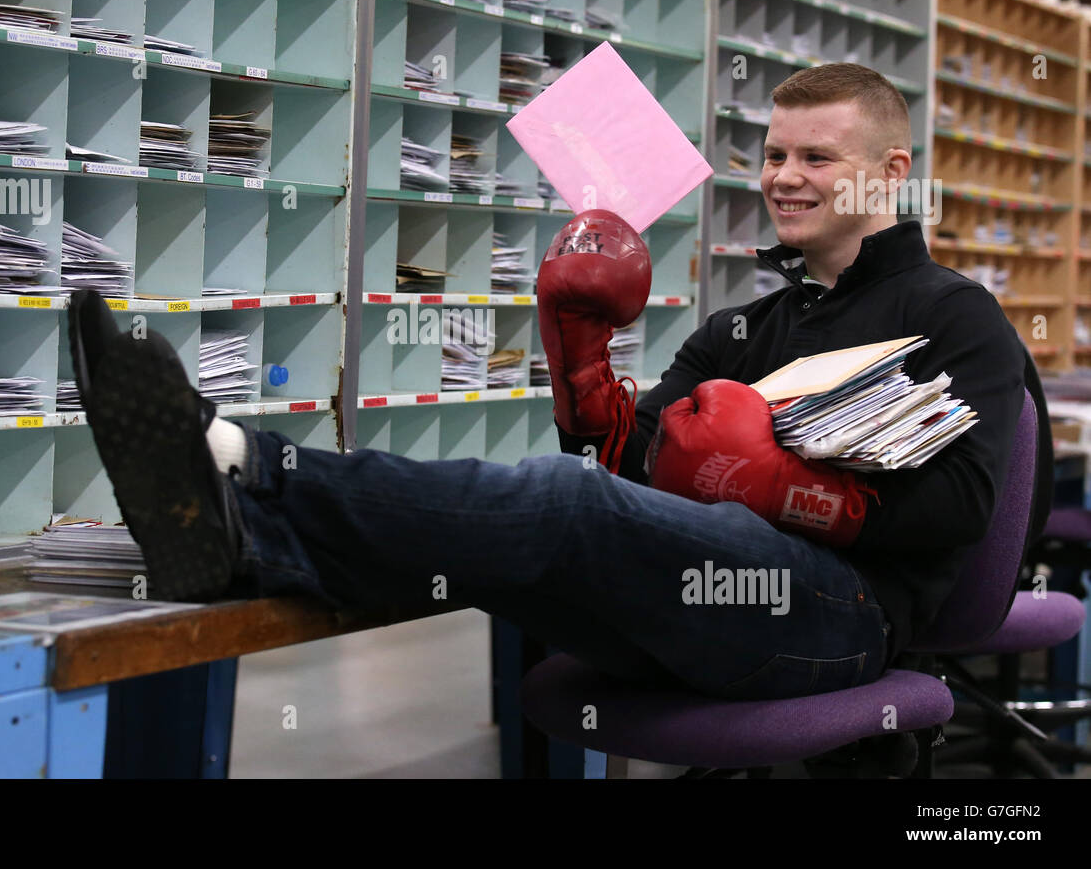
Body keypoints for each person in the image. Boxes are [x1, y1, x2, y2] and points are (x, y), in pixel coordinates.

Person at [68, 63, 1049, 702]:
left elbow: (962, 509)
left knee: (560, 506)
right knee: (536, 524)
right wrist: (581, 362)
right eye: (774, 154)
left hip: (847, 618)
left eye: (815, 157)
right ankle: (243, 542)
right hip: (718, 590)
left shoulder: (955, 315)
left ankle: (243, 473)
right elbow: (624, 457)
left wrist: (793, 491)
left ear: (889, 171)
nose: (784, 176)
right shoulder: (752, 324)